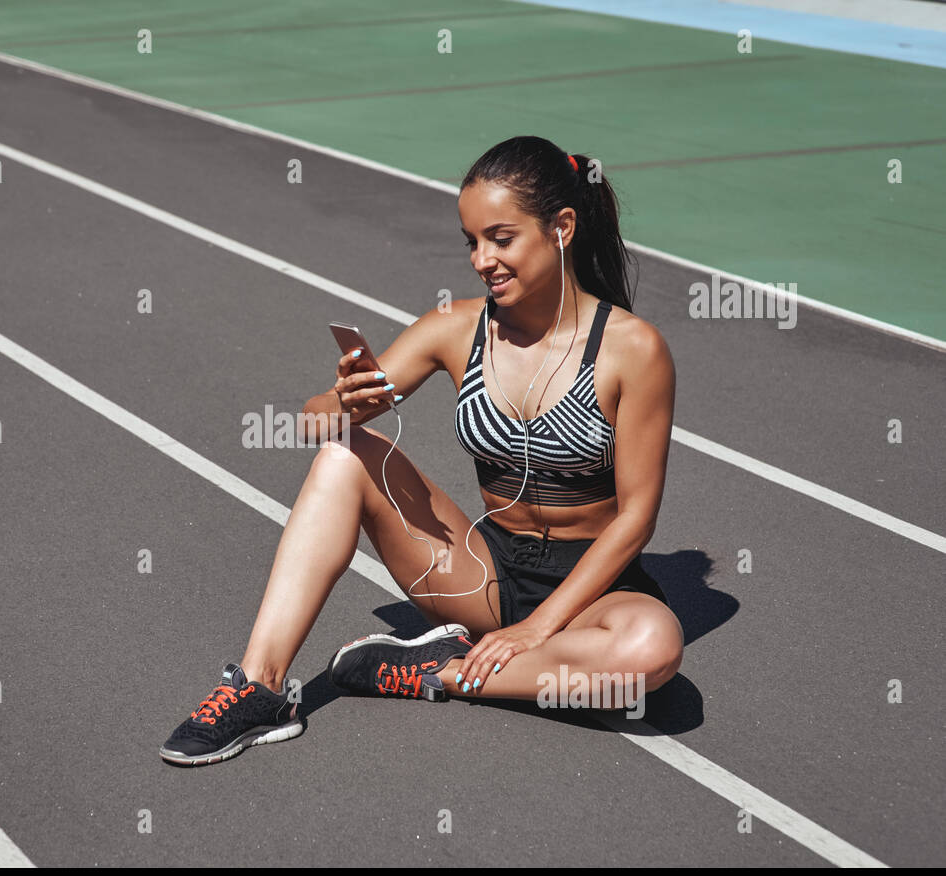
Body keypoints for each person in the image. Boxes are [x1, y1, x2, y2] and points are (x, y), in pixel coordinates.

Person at [160, 135, 684, 766]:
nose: (482, 260)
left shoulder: (633, 349)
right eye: (471, 242)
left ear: (562, 228)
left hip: (592, 591)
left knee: (650, 653)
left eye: (501, 237)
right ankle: (260, 688)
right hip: (484, 575)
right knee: (344, 456)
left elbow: (636, 518)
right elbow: (311, 425)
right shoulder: (455, 328)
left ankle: (436, 670)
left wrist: (538, 629)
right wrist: (344, 401)